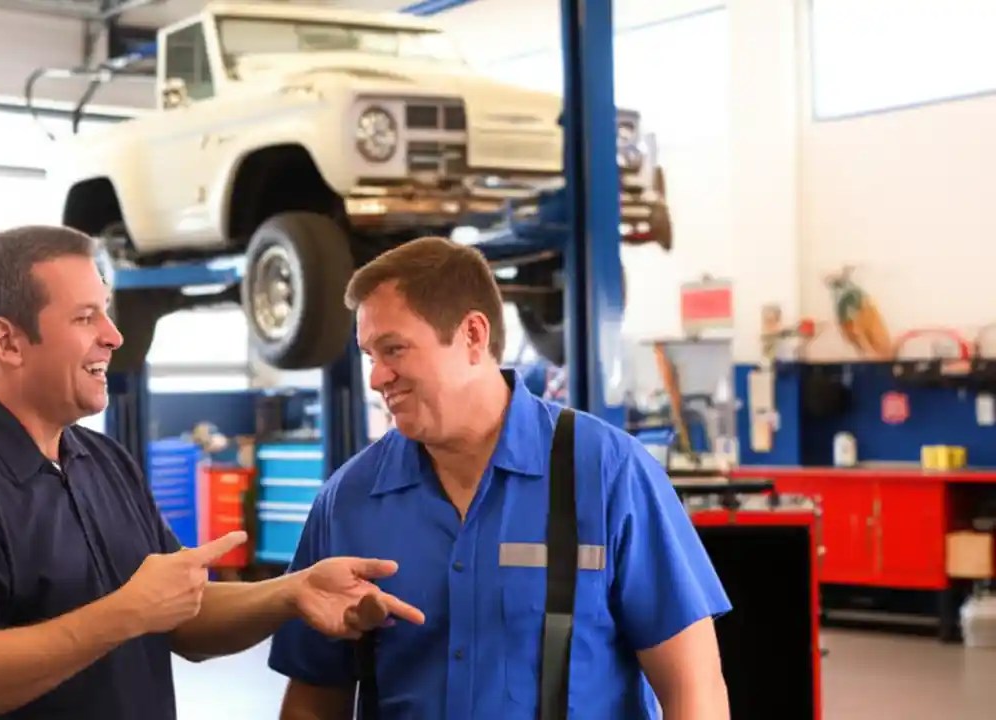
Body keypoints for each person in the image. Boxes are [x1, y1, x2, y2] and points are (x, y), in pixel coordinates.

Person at [0, 225, 424, 720]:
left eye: (105, 311)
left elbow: (182, 615)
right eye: (85, 317)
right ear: (7, 341)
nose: (114, 335)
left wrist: (291, 592)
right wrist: (125, 613)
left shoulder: (99, 461)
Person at [268, 236, 733, 719]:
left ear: (473, 335)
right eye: (370, 355)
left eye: (394, 350)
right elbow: (314, 702)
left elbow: (693, 689)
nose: (376, 377)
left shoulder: (609, 473)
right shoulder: (349, 501)